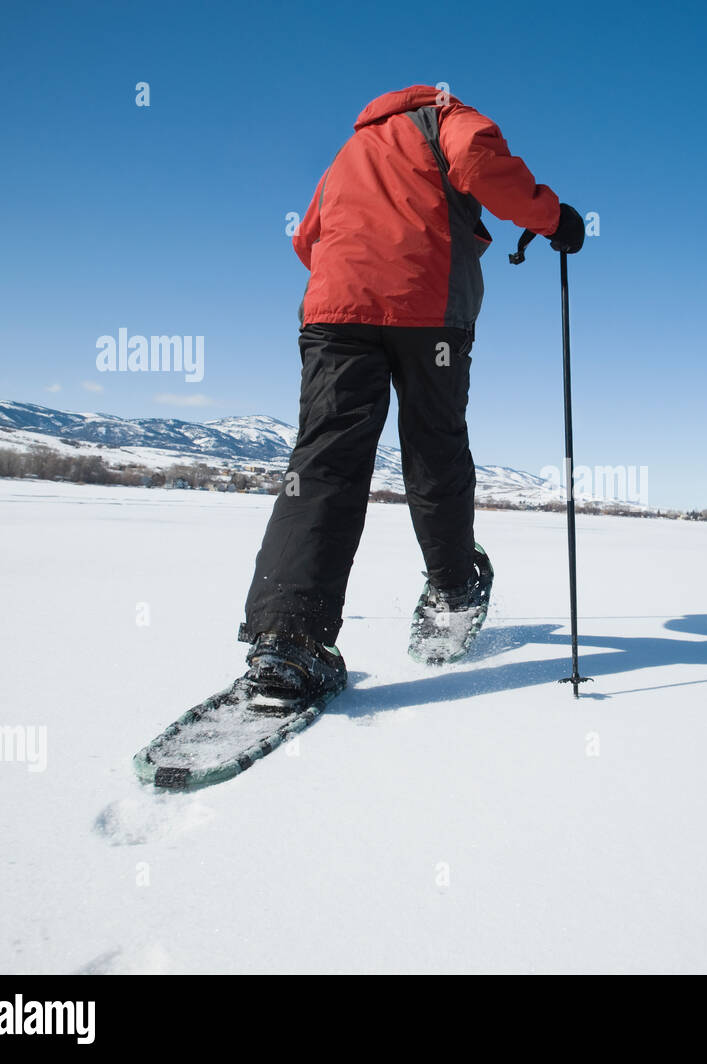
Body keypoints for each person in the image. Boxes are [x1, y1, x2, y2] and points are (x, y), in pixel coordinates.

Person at [236, 84, 584, 701]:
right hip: (430, 311)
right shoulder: (449, 117)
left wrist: (358, 270)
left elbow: (305, 239)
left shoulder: (352, 148)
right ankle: (452, 590)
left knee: (323, 459)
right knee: (434, 446)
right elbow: (480, 164)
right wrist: (553, 218)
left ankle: (288, 639)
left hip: (335, 316)